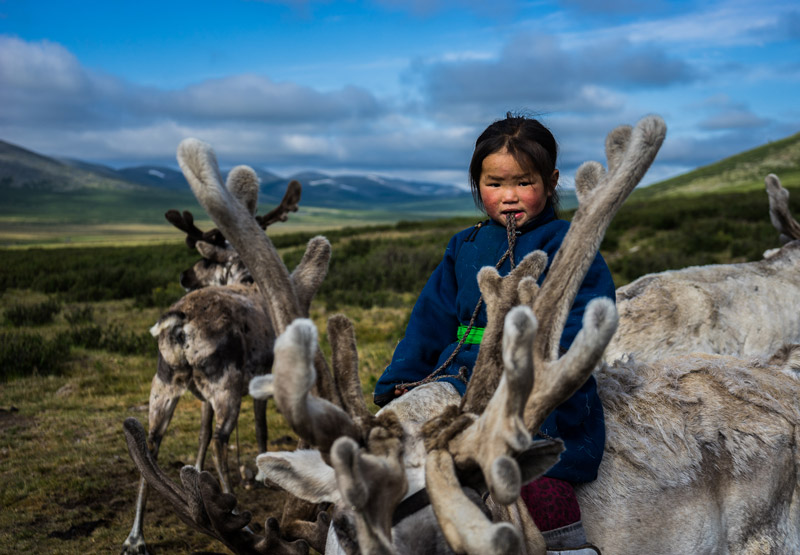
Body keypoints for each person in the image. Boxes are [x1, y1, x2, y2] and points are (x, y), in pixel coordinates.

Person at [373, 113, 614, 553]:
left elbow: (584, 320)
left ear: (551, 180)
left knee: (531, 471)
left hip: (536, 388)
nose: (508, 198)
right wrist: (399, 382)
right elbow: (431, 318)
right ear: (476, 182)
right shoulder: (463, 245)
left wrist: (544, 373)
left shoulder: (568, 242)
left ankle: (568, 547)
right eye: (494, 183)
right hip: (459, 378)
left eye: (523, 182)